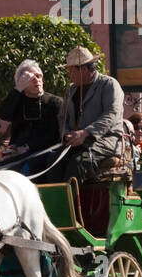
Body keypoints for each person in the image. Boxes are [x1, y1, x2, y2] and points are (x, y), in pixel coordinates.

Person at [48, 46, 128, 183]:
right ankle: (55, 203)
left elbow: (112, 114)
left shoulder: (109, 84)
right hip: (76, 143)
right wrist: (67, 134)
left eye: (71, 70)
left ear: (84, 69)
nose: (69, 74)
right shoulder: (71, 90)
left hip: (106, 141)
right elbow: (62, 118)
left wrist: (85, 133)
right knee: (53, 161)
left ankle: (70, 204)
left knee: (78, 161)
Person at [0, 59, 62, 160]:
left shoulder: (55, 102)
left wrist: (28, 147)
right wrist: (17, 89)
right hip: (16, 154)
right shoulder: (18, 100)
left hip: (44, 154)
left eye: (39, 76)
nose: (37, 80)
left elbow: (55, 135)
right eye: (30, 78)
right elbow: (3, 114)